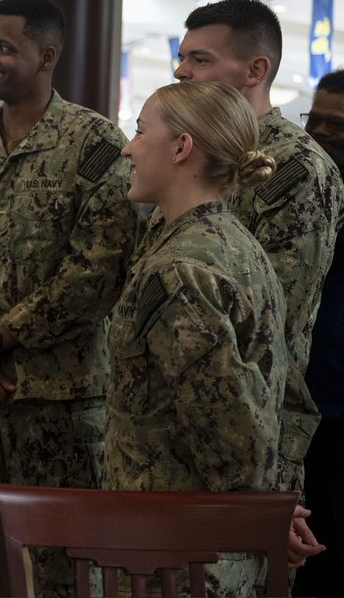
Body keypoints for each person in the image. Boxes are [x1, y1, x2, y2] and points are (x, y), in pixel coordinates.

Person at [0, 0, 138, 597]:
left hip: (57, 401)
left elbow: (96, 271)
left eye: (4, 47)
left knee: (62, 563)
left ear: (47, 56)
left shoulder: (96, 149)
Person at [171, 0, 344, 570]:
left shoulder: (297, 168)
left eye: (200, 59)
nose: (182, 72)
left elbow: (272, 325)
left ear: (255, 71)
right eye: (182, 58)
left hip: (245, 426)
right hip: (171, 420)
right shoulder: (192, 149)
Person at [109, 81, 286, 593]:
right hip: (199, 547)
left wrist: (264, 511)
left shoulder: (182, 269)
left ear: (182, 147)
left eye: (141, 132)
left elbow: (235, 446)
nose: (127, 147)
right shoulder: (231, 241)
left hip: (180, 558)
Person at [294, 70, 344, 597]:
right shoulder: (298, 183)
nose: (323, 132)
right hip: (303, 403)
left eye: (338, 124)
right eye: (316, 119)